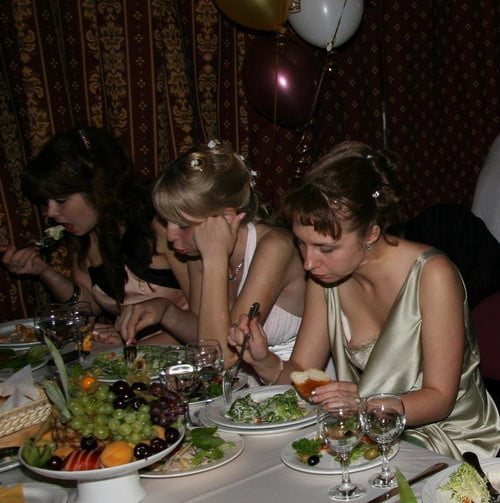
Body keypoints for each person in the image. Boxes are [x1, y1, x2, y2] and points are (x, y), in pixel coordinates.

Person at [228, 140, 500, 459]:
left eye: (326, 248)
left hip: (449, 439)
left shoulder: (431, 275)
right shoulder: (324, 278)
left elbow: (440, 399)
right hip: (369, 431)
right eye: (302, 243)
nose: (309, 262)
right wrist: (265, 361)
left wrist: (365, 404)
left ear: (370, 233)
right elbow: (303, 373)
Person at [118, 139, 328, 385]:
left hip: (295, 388)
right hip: (241, 390)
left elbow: (221, 357)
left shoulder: (275, 247)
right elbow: (205, 336)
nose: (171, 235)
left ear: (226, 217)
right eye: (166, 221)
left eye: (183, 225)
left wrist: (215, 257)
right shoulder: (196, 250)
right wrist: (166, 311)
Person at [0, 127, 189, 344]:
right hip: (131, 355)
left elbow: (203, 323)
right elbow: (87, 307)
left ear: (99, 189)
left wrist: (127, 349)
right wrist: (44, 271)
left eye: (61, 200)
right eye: (46, 202)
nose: (50, 213)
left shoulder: (161, 226)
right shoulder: (86, 232)